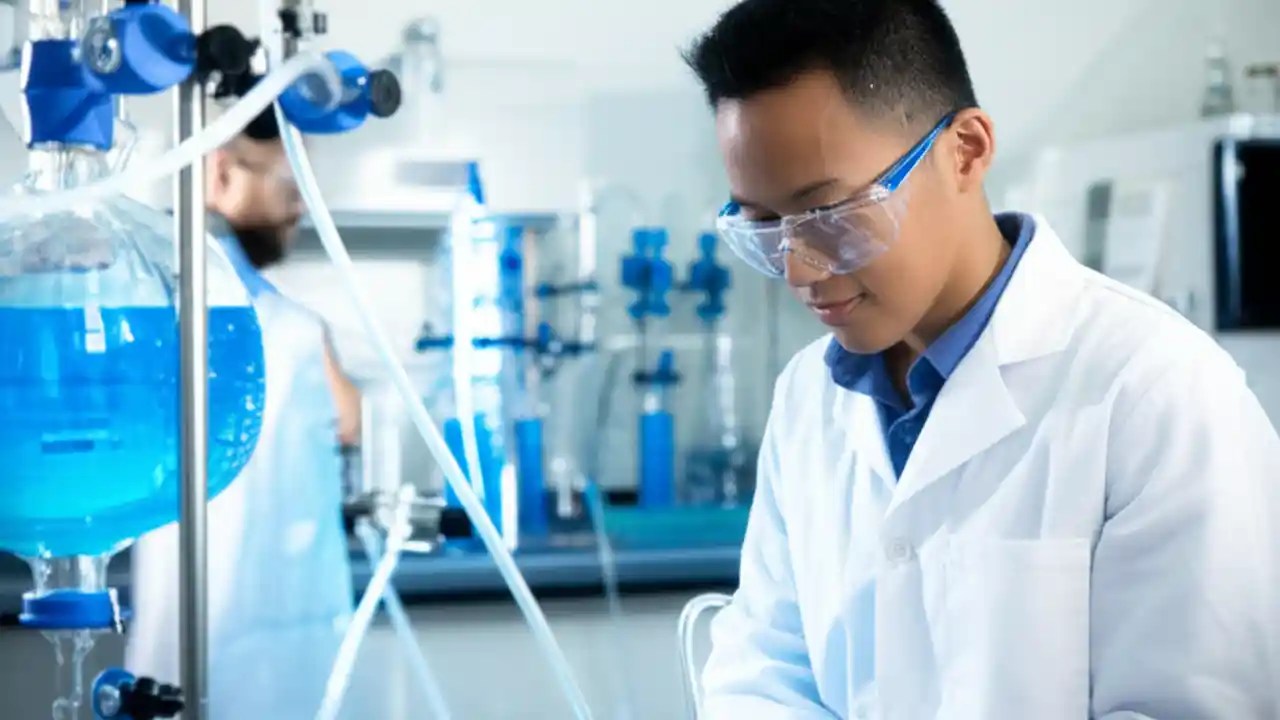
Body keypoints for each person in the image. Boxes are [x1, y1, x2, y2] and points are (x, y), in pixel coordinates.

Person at [684, 1, 1280, 718]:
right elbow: (764, 676)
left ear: (964, 150)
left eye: (830, 217)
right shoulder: (808, 397)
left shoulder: (1156, 392)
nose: (801, 271)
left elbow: (1192, 707)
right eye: (764, 228)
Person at [127, 94, 362, 719]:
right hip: (254, 654)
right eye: (290, 181)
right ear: (221, 174)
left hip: (246, 649)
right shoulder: (281, 329)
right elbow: (349, 419)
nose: (301, 204)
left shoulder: (172, 302)